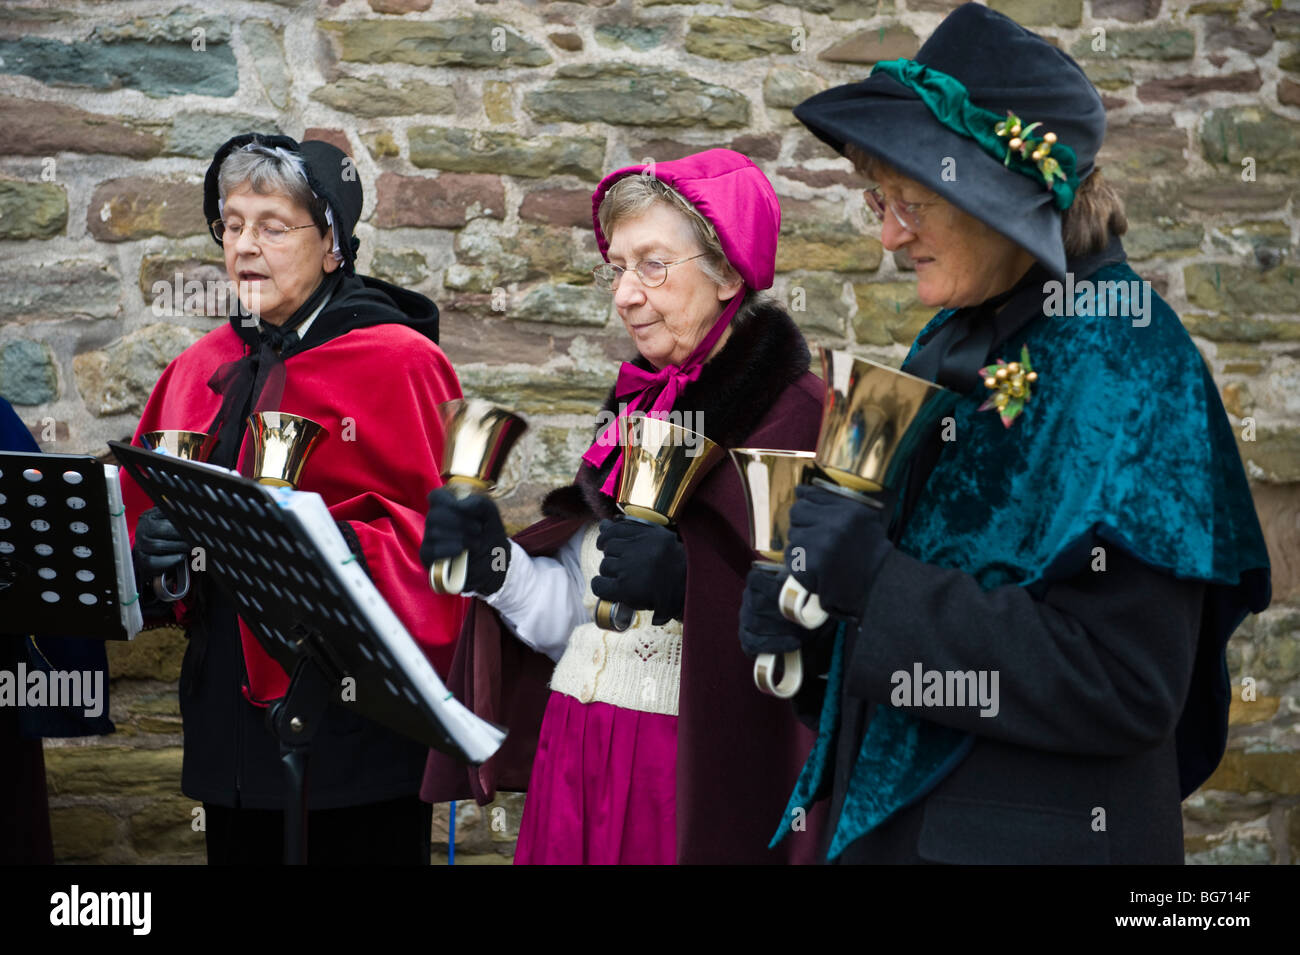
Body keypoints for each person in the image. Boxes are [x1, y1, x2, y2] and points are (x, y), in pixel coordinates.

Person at [739, 3, 1272, 864]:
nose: (885, 233)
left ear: (1003, 198)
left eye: (910, 198)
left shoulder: (1130, 363)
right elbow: (942, 635)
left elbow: (1126, 686)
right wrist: (821, 634)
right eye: (879, 196)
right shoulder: (956, 338)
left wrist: (879, 585)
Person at [421, 149, 826, 864]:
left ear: (728, 271)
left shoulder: (797, 422)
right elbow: (582, 616)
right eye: (618, 267)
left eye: (652, 265)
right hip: (576, 754)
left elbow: (825, 643)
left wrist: (691, 587)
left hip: (687, 782)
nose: (624, 295)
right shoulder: (638, 410)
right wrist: (497, 566)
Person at [121, 134, 465, 864]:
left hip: (355, 727)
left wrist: (325, 547)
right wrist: (160, 558)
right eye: (233, 223)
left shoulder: (402, 361)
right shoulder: (199, 367)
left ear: (333, 244)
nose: (246, 245)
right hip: (228, 729)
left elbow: (443, 547)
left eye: (273, 226)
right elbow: (143, 526)